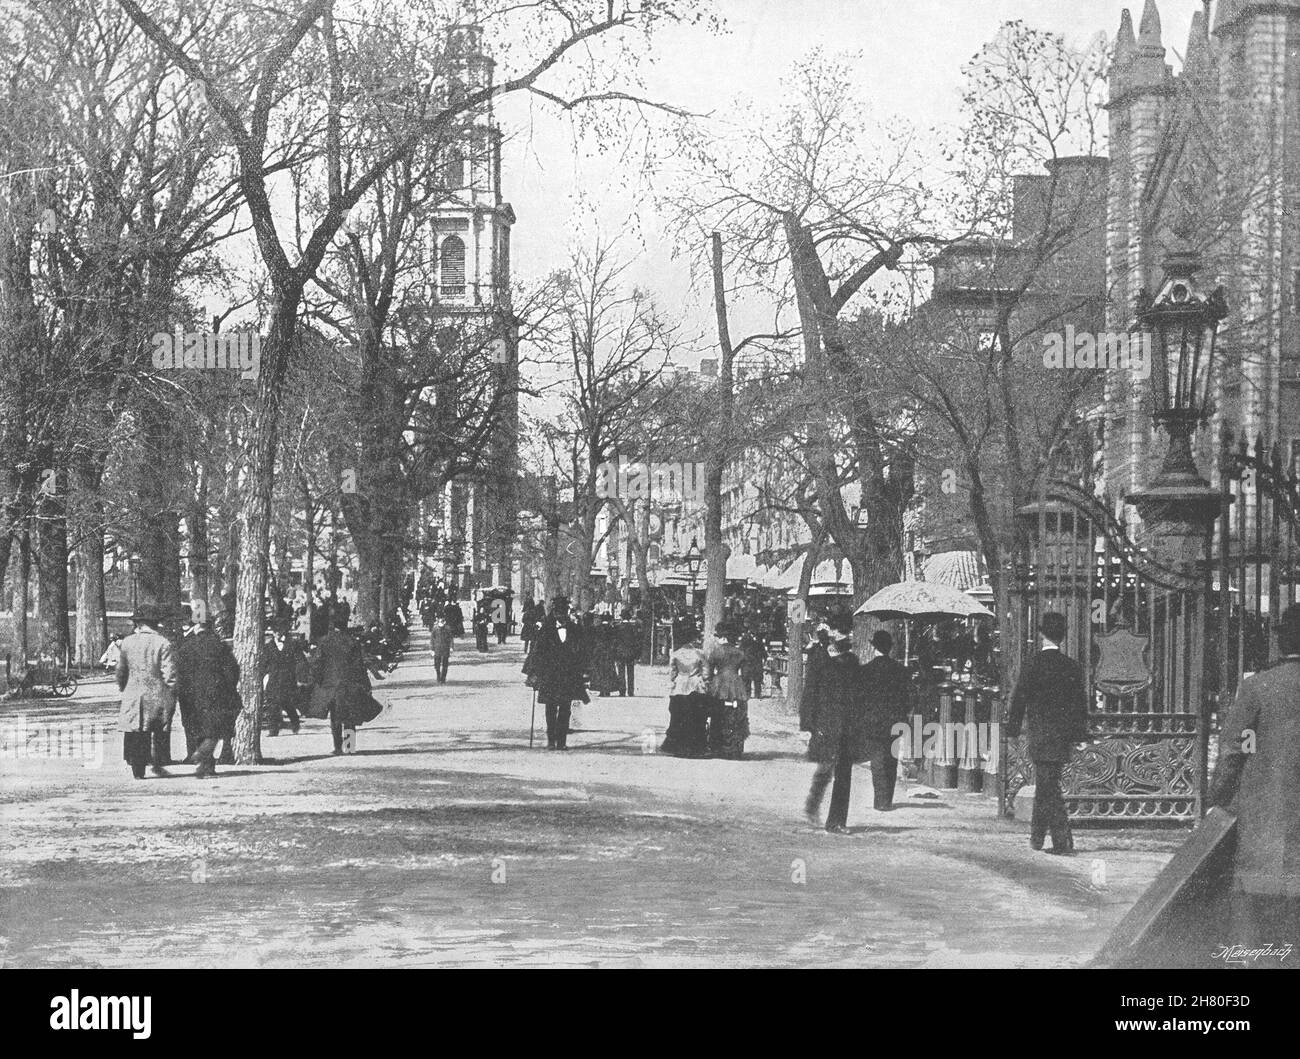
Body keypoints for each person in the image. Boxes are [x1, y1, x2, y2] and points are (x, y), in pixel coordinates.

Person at [1208, 605, 1300, 948]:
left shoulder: (1258, 687)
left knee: (1258, 898)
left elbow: (1233, 749)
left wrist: (1217, 798)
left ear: (1281, 640)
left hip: (1266, 807)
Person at [1006, 612, 1089, 855]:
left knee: (1048, 787)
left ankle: (1062, 842)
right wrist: (1080, 735)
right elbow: (1079, 705)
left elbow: (1019, 698)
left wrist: (1012, 729)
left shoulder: (1033, 664)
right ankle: (1037, 837)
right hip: (1061, 736)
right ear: (1062, 636)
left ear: (1041, 634)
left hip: (1040, 734)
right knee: (1046, 785)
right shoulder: (1071, 666)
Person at [802, 620, 866, 833]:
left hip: (847, 725)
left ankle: (837, 821)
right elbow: (810, 693)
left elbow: (859, 695)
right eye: (840, 632)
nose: (844, 637)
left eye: (846, 633)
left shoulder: (852, 662)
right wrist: (808, 725)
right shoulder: (818, 660)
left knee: (844, 773)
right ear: (831, 635)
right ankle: (812, 806)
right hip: (825, 723)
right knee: (825, 768)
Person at [116, 604, 180, 780]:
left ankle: (138, 769)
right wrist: (171, 691)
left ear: (138, 623)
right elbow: (169, 673)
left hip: (133, 693)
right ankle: (159, 763)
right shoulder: (163, 643)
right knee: (157, 729)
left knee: (137, 731)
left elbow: (121, 670)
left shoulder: (127, 643)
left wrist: (123, 687)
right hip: (156, 693)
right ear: (154, 623)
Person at [177, 611, 242, 778]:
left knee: (197, 728)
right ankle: (206, 760)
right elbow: (233, 671)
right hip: (216, 693)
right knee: (213, 729)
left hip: (191, 695)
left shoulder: (185, 647)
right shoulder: (219, 646)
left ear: (194, 625)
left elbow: (179, 672)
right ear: (211, 625)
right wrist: (228, 688)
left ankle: (203, 762)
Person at [523, 597, 588, 750]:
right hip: (550, 676)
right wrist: (533, 674)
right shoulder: (546, 630)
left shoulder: (576, 629)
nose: (561, 616)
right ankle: (551, 740)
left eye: (563, 612)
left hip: (568, 675)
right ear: (554, 613)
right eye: (558, 613)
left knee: (566, 709)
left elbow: (583, 651)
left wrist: (582, 671)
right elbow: (537, 653)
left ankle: (562, 742)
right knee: (550, 709)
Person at [310, 615, 380, 755]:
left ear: (332, 626)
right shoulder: (352, 642)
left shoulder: (324, 642)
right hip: (349, 684)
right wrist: (364, 684)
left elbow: (317, 664)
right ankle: (349, 747)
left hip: (331, 685)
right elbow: (359, 666)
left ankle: (337, 748)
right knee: (350, 716)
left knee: (335, 717)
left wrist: (318, 681)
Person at [860, 630, 912, 810]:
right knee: (891, 759)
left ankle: (880, 800)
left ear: (874, 647)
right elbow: (908, 698)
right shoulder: (901, 671)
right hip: (895, 721)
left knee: (878, 761)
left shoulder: (866, 671)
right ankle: (887, 799)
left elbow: (861, 699)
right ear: (889, 648)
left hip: (874, 721)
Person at [661, 630, 712, 758]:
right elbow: (706, 673)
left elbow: (672, 673)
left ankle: (678, 746)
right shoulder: (699, 653)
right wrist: (704, 681)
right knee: (696, 717)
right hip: (696, 687)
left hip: (680, 687)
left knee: (679, 717)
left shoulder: (675, 654)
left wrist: (672, 682)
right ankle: (696, 746)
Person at [707, 623, 749, 759]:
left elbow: (709, 671)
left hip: (719, 684)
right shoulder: (740, 653)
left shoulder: (717, 651)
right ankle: (735, 747)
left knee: (717, 713)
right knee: (736, 714)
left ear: (724, 638)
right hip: (736, 684)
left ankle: (717, 746)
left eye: (719, 637)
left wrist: (711, 682)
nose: (718, 640)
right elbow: (746, 673)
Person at [261, 622, 303, 737]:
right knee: (272, 704)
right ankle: (273, 729)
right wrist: (262, 676)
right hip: (274, 678)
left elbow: (300, 661)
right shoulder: (268, 647)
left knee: (287, 704)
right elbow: (264, 663)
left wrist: (298, 676)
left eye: (280, 631)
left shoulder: (292, 645)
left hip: (287, 679)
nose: (278, 634)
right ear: (273, 633)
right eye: (275, 632)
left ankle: (295, 723)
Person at [588, 615, 621, 697]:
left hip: (599, 652)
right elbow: (614, 640)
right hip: (608, 652)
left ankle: (601, 690)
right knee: (609, 671)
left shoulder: (597, 628)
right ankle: (608, 689)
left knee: (600, 671)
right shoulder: (611, 629)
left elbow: (594, 640)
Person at [614, 608, 642, 696]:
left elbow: (615, 642)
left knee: (621, 672)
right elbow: (637, 642)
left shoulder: (618, 627)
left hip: (620, 653)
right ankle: (631, 691)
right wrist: (637, 655)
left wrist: (614, 653)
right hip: (631, 653)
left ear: (622, 618)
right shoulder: (633, 628)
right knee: (631, 672)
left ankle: (622, 691)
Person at [739, 627, 766, 700]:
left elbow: (762, 650)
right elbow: (763, 652)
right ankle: (753, 694)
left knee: (752, 679)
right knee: (751, 680)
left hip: (751, 662)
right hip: (751, 662)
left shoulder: (755, 640)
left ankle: (752, 694)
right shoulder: (755, 641)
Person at [430, 614, 454, 684]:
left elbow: (451, 638)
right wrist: (432, 649)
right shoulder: (435, 629)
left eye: (442, 622)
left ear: (444, 622)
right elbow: (432, 639)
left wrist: (451, 647)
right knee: (437, 664)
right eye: (440, 622)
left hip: (445, 648)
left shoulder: (447, 629)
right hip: (437, 649)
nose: (441, 624)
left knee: (445, 664)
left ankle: (443, 678)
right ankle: (438, 675)